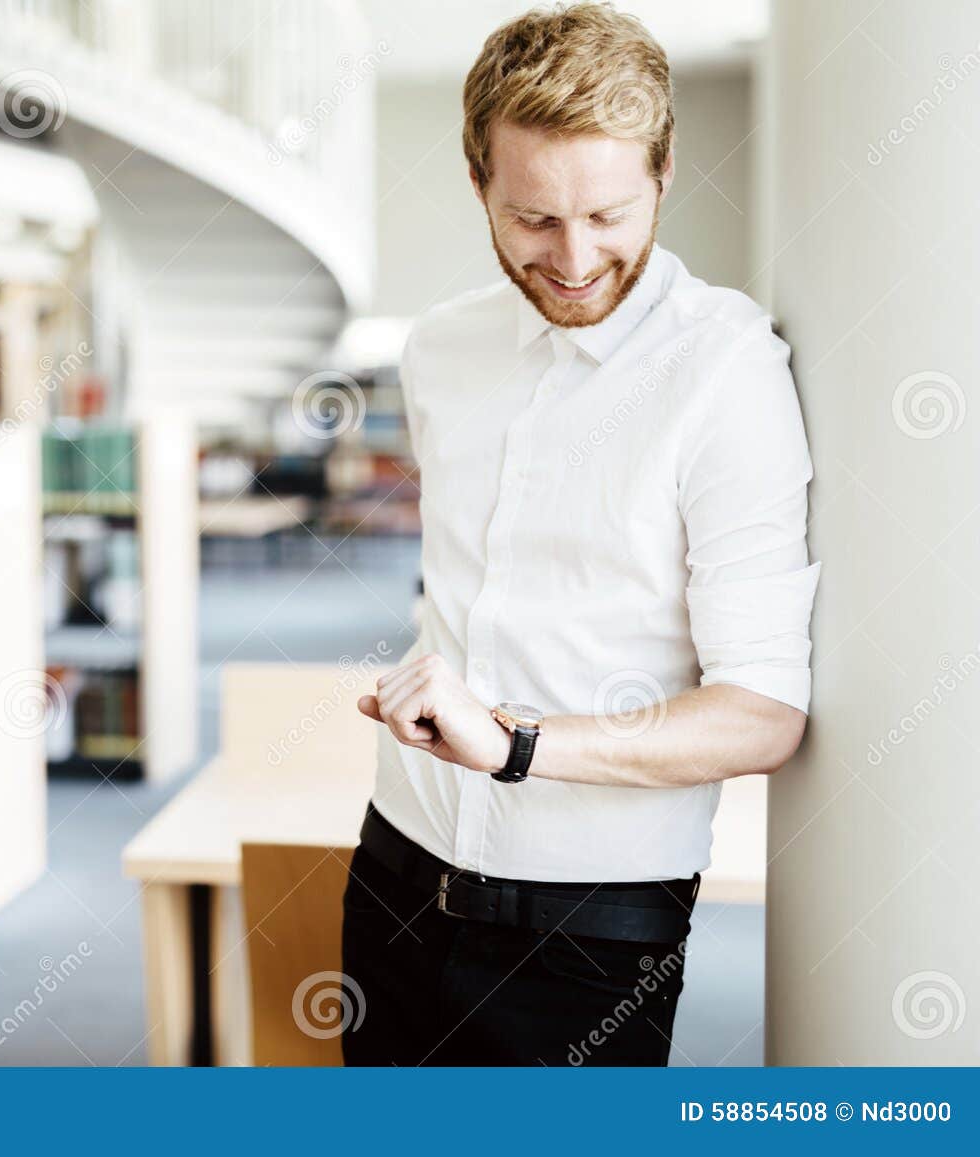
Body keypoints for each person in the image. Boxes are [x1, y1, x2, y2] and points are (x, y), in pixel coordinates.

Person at [344, 2, 820, 1066]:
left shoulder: (726, 373)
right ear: (479, 186)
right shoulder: (441, 350)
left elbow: (761, 712)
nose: (572, 258)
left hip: (589, 927)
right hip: (395, 870)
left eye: (607, 214)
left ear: (660, 174)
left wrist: (515, 743)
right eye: (532, 218)